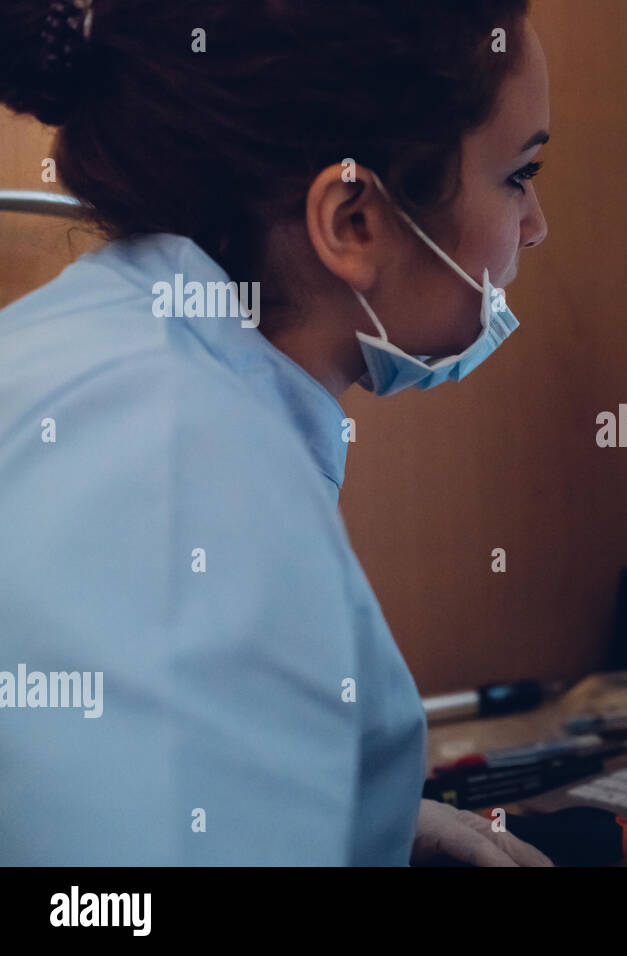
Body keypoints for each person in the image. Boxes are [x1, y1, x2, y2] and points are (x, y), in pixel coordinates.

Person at [0, 0, 552, 866]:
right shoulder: (191, 464)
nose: (535, 226)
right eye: (519, 176)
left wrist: (370, 827)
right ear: (352, 222)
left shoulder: (106, 349)